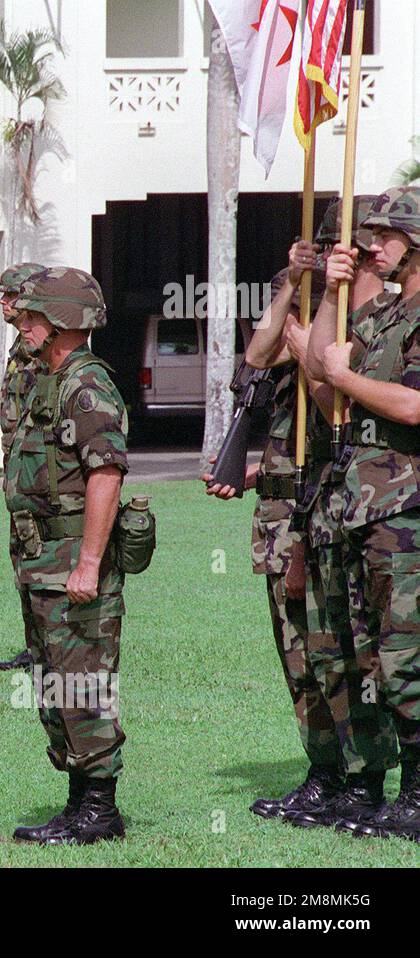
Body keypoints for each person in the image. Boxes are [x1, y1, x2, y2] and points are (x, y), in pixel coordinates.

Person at [209, 246, 342, 821]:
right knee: (296, 656)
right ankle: (323, 771)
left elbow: (339, 414)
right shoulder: (282, 345)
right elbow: (257, 354)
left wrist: (310, 353)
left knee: (329, 651)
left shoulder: (341, 342)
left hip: (320, 516)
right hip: (277, 518)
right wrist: (290, 285)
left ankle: (348, 777)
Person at [303, 186, 420, 839]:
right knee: (372, 655)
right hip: (363, 507)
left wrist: (347, 381)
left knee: (408, 654)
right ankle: (384, 789)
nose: (373, 247)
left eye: (385, 237)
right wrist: (327, 297)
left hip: (408, 509)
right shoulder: (388, 314)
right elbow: (323, 382)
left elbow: (412, 407)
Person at [3, 266, 130, 845]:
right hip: (41, 559)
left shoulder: (87, 385)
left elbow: (106, 474)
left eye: (31, 316)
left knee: (82, 684)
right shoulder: (47, 380)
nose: (22, 324)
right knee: (56, 683)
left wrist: (87, 562)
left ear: (61, 321)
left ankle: (100, 812)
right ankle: (79, 805)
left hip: (69, 562)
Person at [0, 262, 46, 674]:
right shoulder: (20, 348)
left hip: (37, 478)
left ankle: (48, 648)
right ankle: (35, 646)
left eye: (10, 295)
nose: (3, 302)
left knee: (38, 561)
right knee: (22, 561)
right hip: (18, 478)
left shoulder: (42, 351)